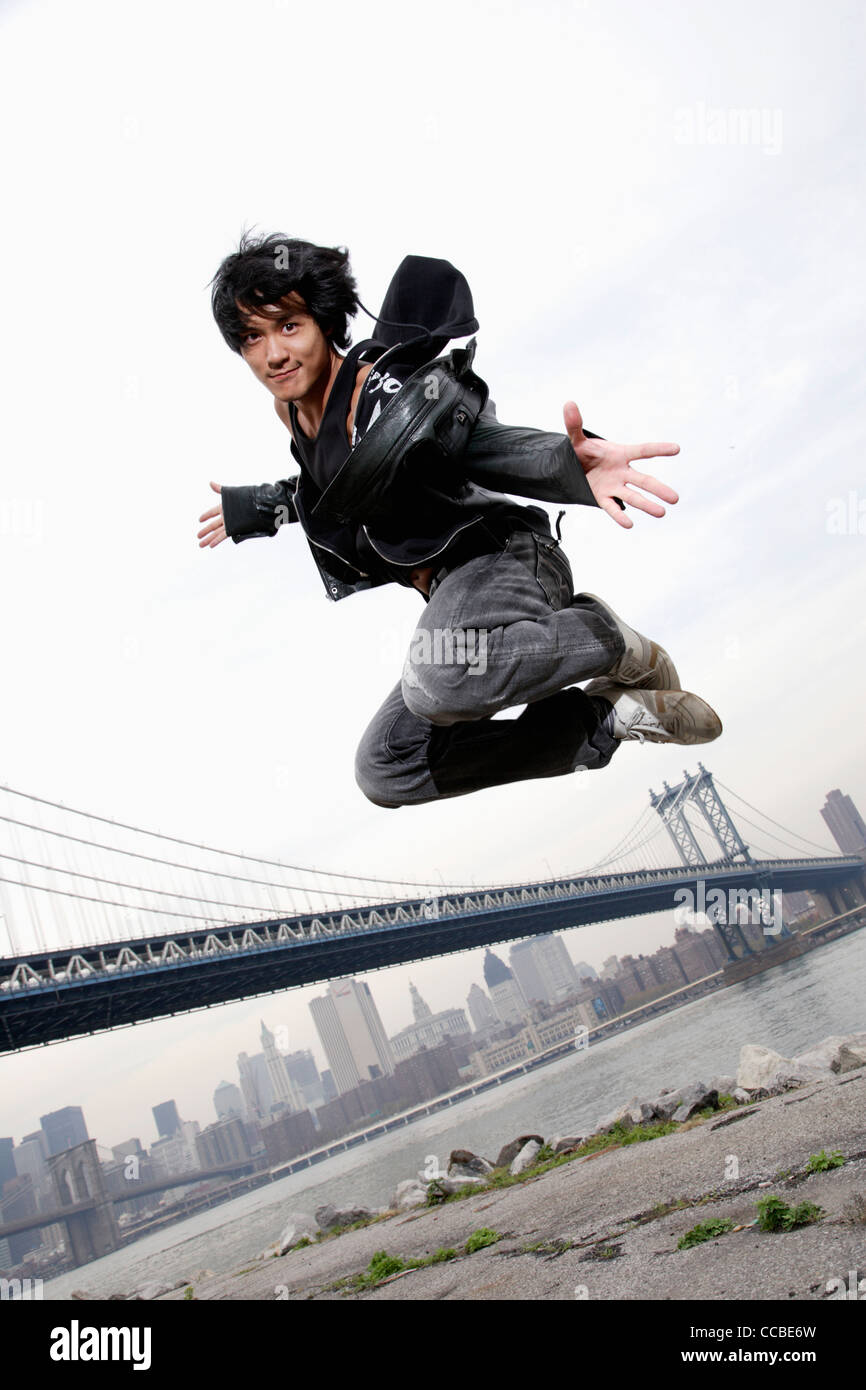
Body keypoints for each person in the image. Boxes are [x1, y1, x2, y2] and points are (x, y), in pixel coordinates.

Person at [199, 234, 721, 808]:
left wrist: (570, 467)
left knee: (437, 680)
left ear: (324, 322)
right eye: (253, 336)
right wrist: (261, 507)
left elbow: (475, 443)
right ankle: (608, 720)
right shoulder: (293, 409)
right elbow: (332, 485)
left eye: (289, 326)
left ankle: (606, 639)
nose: (273, 354)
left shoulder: (381, 393)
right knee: (384, 768)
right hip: (459, 596)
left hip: (506, 558)